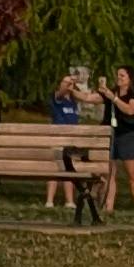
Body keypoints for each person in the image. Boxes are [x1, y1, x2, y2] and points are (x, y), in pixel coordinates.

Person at [95, 69, 134, 215]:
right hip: (110, 134)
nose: (118, 78)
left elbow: (130, 110)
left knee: (133, 174)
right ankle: (108, 207)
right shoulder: (112, 92)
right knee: (109, 173)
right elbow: (90, 98)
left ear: (130, 78)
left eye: (122, 75)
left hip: (127, 135)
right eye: (117, 75)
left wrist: (113, 98)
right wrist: (72, 90)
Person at [46, 68, 89, 209]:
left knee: (69, 168)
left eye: (70, 82)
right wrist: (68, 85)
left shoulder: (73, 101)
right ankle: (49, 201)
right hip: (58, 138)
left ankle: (69, 201)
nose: (68, 84)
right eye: (65, 82)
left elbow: (86, 96)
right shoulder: (57, 98)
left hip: (71, 139)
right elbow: (61, 92)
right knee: (55, 169)